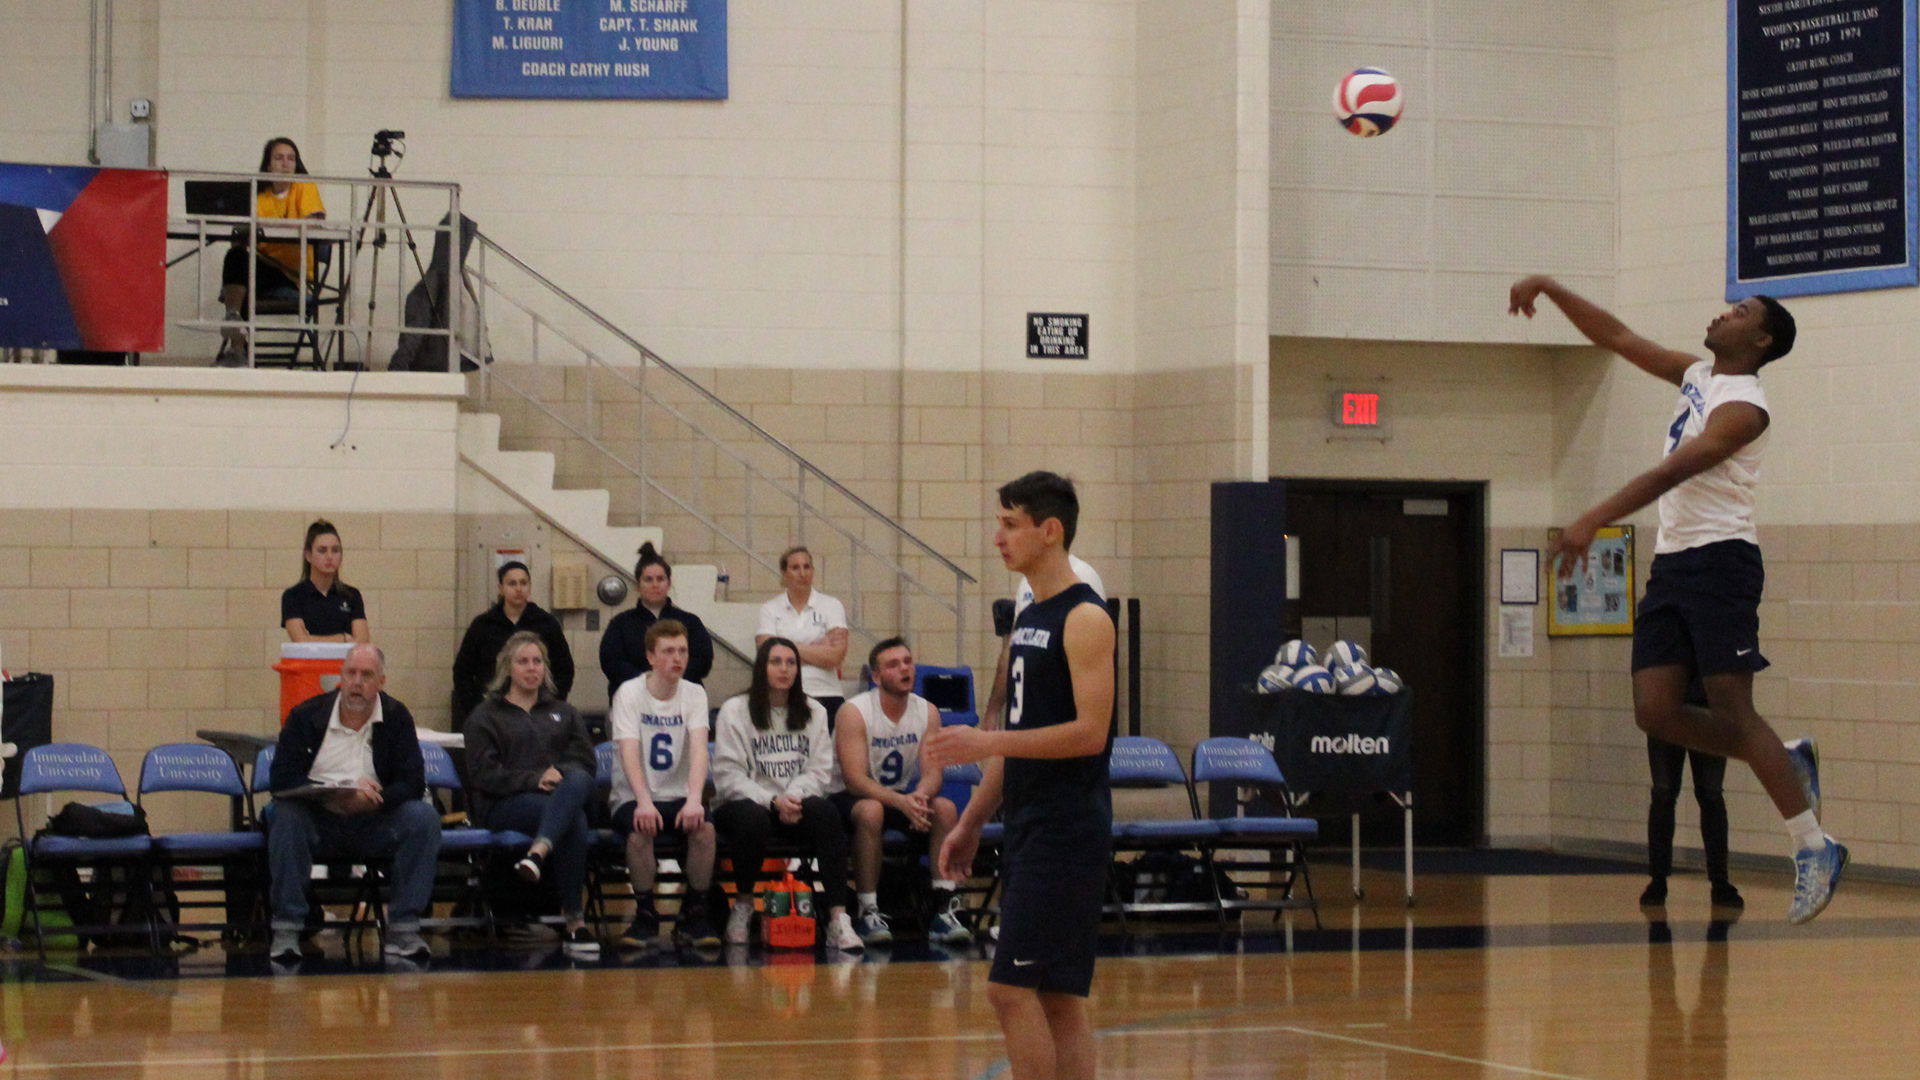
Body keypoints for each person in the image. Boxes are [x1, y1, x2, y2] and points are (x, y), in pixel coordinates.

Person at [1512, 275, 1844, 924]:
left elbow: (1674, 470)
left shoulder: (1745, 407)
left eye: (1741, 311)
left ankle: (1815, 848)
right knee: (1655, 712)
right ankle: (1782, 758)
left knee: (1734, 711)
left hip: (1722, 562)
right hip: (1672, 566)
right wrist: (1552, 289)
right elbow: (1617, 337)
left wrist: (1592, 519)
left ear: (1762, 338)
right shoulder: (1698, 376)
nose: (1724, 313)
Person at [928, 471, 1117, 1080]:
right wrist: (974, 822)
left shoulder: (1086, 619)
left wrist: (987, 739)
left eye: (1010, 524)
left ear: (1049, 530)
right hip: (1031, 825)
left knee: (1010, 990)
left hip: (1067, 831)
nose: (998, 537)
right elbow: (1019, 740)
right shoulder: (1029, 617)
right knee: (1059, 998)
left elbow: (1091, 733)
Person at [266, 643, 441, 962]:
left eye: (366, 675)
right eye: (351, 673)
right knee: (285, 815)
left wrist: (376, 800)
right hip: (317, 819)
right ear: (340, 678)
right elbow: (280, 779)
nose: (357, 682)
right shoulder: (306, 716)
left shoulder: (396, 716)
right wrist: (334, 791)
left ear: (381, 682)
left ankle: (403, 928)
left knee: (423, 818)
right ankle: (288, 928)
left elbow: (413, 781)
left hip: (374, 819)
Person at [711, 637, 862, 951]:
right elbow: (728, 776)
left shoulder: (814, 711)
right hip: (743, 805)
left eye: (791, 662)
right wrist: (771, 800)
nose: (784, 669)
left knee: (827, 812)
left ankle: (838, 919)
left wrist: (792, 797)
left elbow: (820, 770)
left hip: (794, 802)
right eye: (775, 661)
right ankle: (742, 906)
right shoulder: (735, 710)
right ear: (761, 668)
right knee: (753, 821)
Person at [461, 631, 601, 957]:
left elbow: (585, 761)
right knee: (573, 818)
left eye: (537, 661)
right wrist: (535, 778)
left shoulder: (565, 712)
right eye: (523, 661)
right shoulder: (484, 716)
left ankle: (538, 853)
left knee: (577, 785)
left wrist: (560, 777)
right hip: (506, 804)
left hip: (560, 797)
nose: (531, 668)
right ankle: (574, 923)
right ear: (508, 668)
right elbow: (483, 775)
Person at [830, 636, 970, 946]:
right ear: (877, 678)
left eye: (908, 662)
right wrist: (902, 802)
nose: (904, 669)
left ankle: (943, 910)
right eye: (893, 665)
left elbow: (934, 772)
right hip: (843, 799)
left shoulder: (927, 711)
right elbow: (855, 780)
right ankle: (868, 912)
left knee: (944, 808)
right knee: (871, 810)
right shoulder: (854, 712)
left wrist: (919, 798)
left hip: (897, 796)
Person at [608, 618, 722, 948]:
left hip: (678, 793)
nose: (677, 658)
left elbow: (700, 750)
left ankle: (695, 915)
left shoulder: (695, 693)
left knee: (705, 830)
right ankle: (646, 915)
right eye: (668, 651)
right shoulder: (629, 693)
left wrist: (695, 798)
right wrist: (643, 801)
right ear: (651, 657)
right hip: (634, 794)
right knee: (641, 829)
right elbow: (628, 750)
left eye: (683, 651)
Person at [218, 137, 325, 366]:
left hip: (293, 276)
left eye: (291, 158)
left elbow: (314, 223)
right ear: (268, 165)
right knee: (236, 258)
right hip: (263, 269)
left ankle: (237, 346)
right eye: (278, 158)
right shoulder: (260, 197)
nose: (285, 163)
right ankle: (235, 328)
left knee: (241, 282)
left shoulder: (304, 187)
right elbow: (240, 240)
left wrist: (270, 227)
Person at [984, 553, 1105, 730]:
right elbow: (1012, 649)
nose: (999, 539)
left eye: (1012, 526)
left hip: (1058, 727)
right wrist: (993, 710)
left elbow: (1092, 728)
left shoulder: (1083, 579)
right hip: (1025, 722)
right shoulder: (1026, 584)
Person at [451, 561, 575, 731]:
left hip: (537, 713)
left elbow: (565, 669)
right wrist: (476, 708)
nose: (519, 588)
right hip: (492, 712)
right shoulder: (483, 624)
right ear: (500, 588)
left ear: (530, 587)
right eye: (512, 583)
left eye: (524, 583)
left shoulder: (546, 623)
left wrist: (551, 704)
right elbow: (462, 671)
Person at [600, 542, 715, 694]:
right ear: (638, 585)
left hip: (681, 698)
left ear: (668, 584)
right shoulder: (620, 623)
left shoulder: (690, 622)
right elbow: (612, 663)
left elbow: (702, 661)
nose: (655, 585)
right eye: (648, 579)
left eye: (660, 579)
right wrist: (648, 683)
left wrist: (669, 681)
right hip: (633, 699)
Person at [1642, 735, 1740, 909]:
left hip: (1704, 717)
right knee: (1665, 794)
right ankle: (1658, 880)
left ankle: (1719, 881)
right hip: (1670, 717)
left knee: (1709, 795)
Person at [756, 546, 849, 724]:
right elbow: (766, 655)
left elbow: (836, 657)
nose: (802, 573)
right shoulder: (769, 609)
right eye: (795, 567)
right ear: (784, 573)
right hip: (784, 694)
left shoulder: (832, 605)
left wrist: (786, 649)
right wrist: (819, 648)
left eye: (807, 567)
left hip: (826, 693)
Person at [281, 519, 369, 643]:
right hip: (309, 662)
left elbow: (362, 642)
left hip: (345, 663)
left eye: (335, 550)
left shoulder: (352, 595)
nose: (329, 557)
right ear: (308, 555)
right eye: (322, 550)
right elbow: (301, 641)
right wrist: (344, 638)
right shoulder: (293, 596)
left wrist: (312, 639)